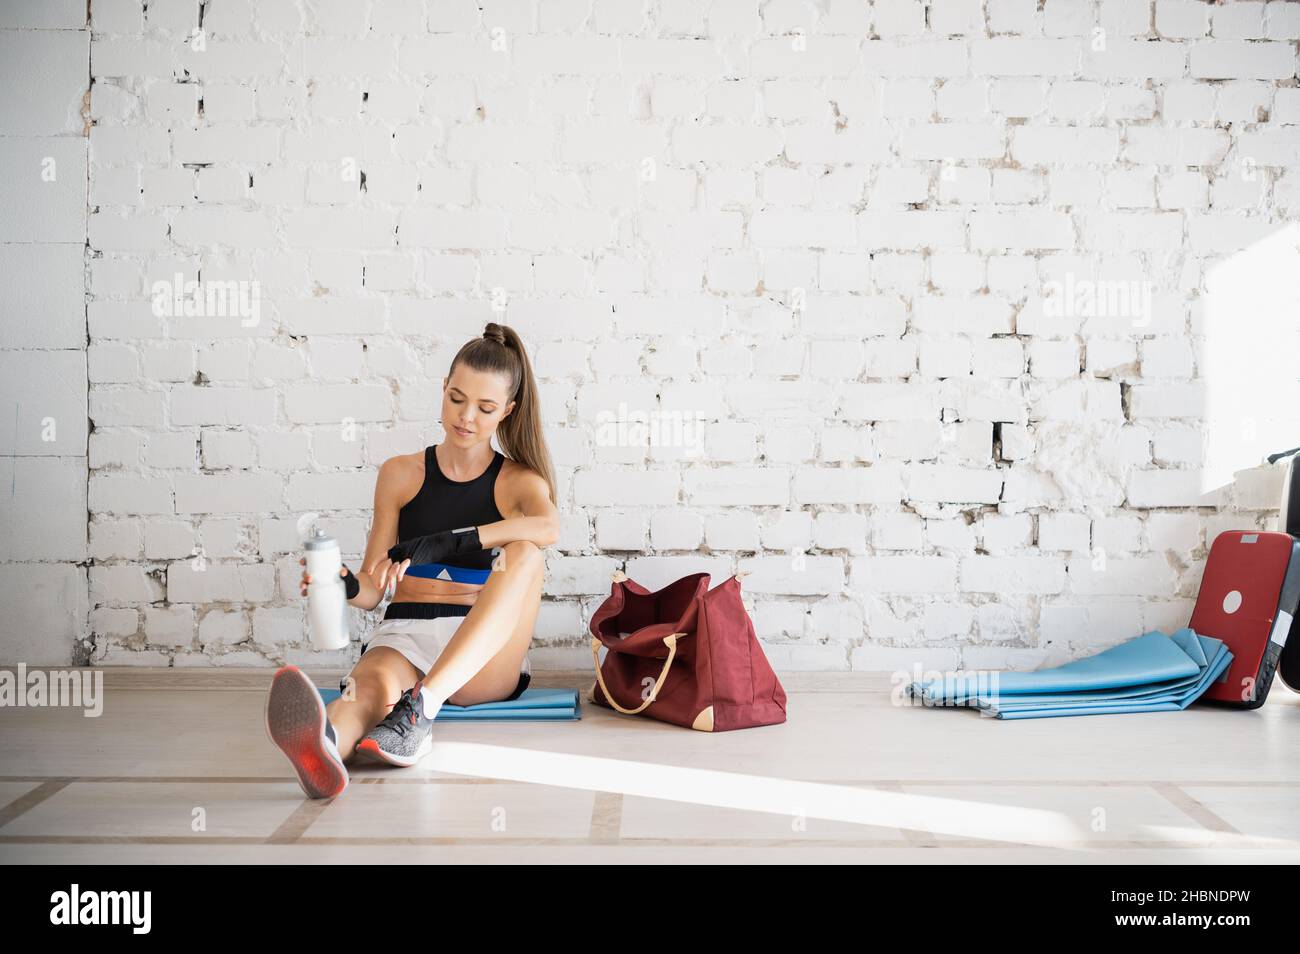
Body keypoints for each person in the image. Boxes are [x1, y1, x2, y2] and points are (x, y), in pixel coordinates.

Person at [265, 322, 559, 799]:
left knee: (524, 553)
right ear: (443, 389)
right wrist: (343, 585)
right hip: (405, 634)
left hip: (480, 655)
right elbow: (374, 588)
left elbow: (548, 529)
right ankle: (323, 748)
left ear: (507, 411)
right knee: (365, 693)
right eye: (457, 399)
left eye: (485, 408)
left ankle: (422, 707)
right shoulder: (399, 474)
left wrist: (449, 542)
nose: (466, 417)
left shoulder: (519, 481)